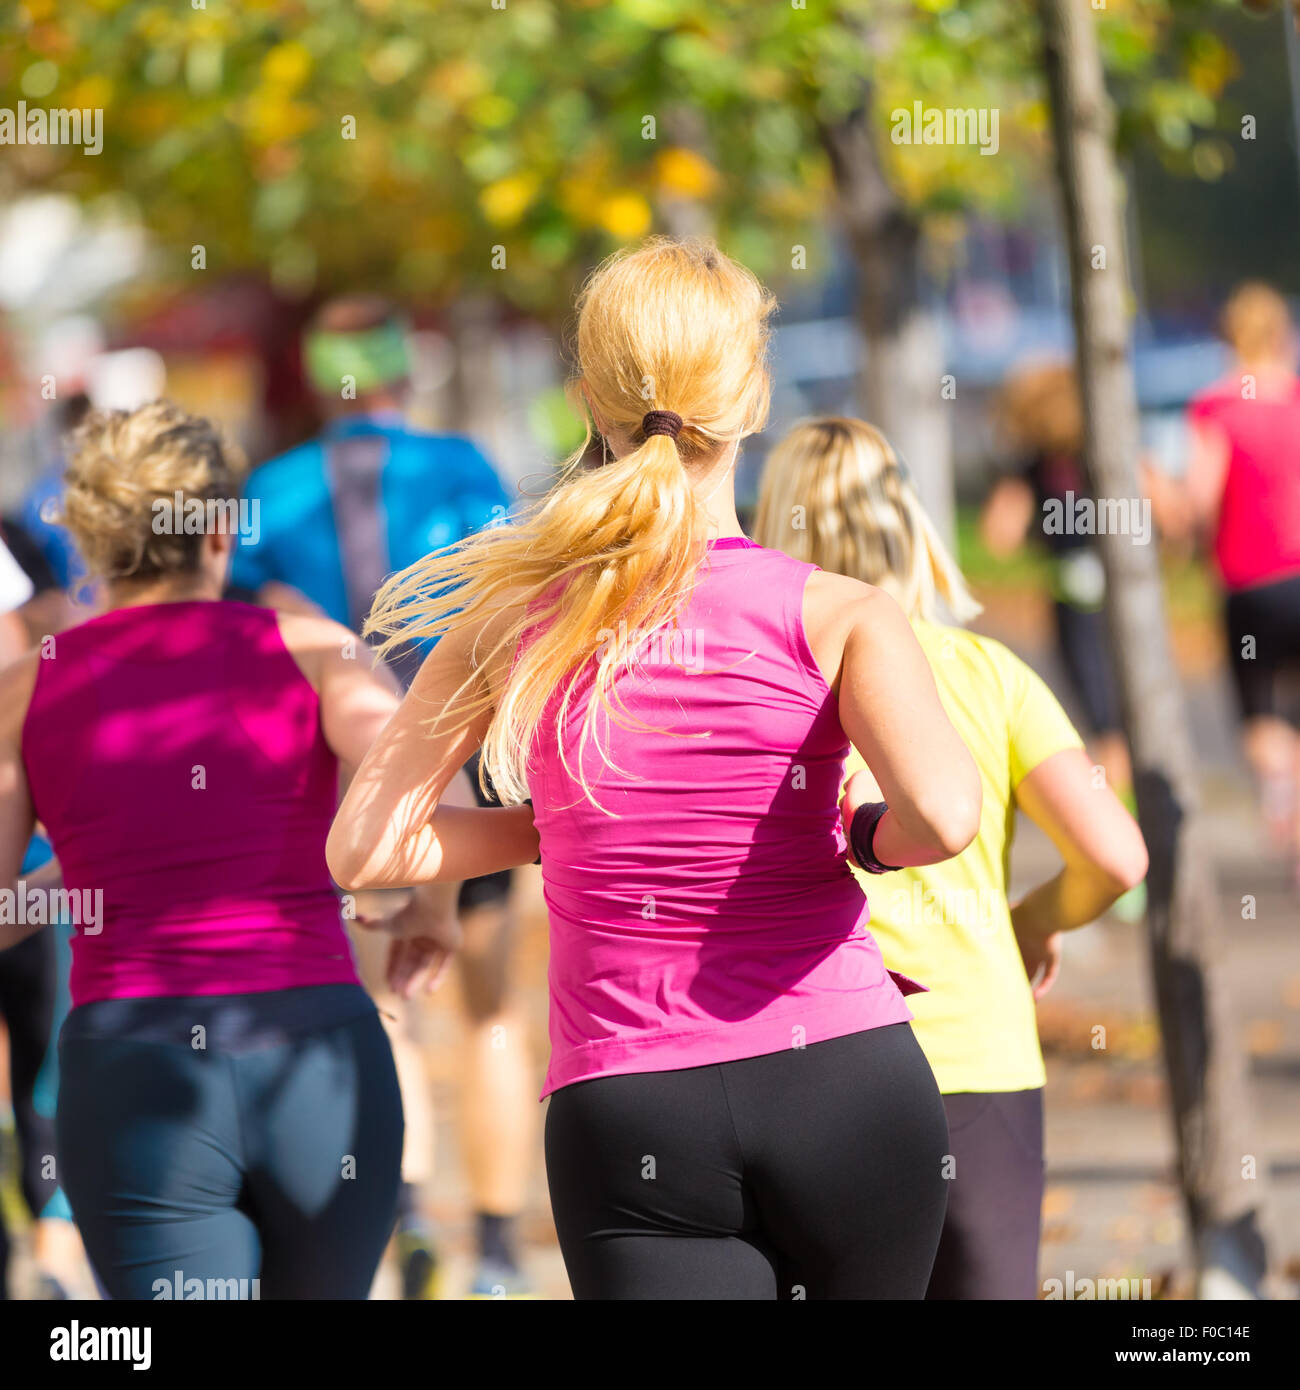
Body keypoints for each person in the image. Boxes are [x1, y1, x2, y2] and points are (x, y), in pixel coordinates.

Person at [328, 238, 985, 1300]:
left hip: (631, 1108)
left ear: (587, 400)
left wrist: (558, 829)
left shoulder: (513, 619)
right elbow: (947, 815)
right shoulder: (840, 610)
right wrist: (864, 835)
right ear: (755, 396)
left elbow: (365, 849)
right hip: (845, 1086)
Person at [0, 400, 457, 1299]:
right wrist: (430, 912)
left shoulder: (24, 686)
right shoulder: (322, 653)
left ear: (88, 541)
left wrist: (72, 882)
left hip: (135, 1075)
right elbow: (437, 787)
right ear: (218, 532)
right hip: (319, 1062)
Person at [754, 416, 1148, 1299]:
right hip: (979, 1062)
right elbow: (1117, 855)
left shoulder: (769, 680)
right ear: (913, 524)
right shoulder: (988, 673)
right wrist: (1029, 923)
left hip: (812, 1062)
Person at [232, 296, 532, 1297]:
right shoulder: (463, 470)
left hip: (345, 776)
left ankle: (402, 1216)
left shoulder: (269, 495)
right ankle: (492, 1255)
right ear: (406, 368)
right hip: (476, 756)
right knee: (488, 1014)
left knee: (383, 1006)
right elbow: (509, 606)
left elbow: (253, 641)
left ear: (321, 377)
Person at [1161, 283, 1300, 877]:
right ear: (1280, 335)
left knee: (1261, 714)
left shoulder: (1215, 409)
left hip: (1249, 584)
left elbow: (1198, 497)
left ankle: (1282, 804)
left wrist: (1182, 540)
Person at [980, 362, 1131, 796]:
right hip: (1120, 599)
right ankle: (1127, 814)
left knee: (1103, 723)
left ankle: (1117, 817)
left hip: (1075, 606)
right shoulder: (1107, 453)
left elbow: (998, 536)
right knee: (1119, 716)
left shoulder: (1034, 468)